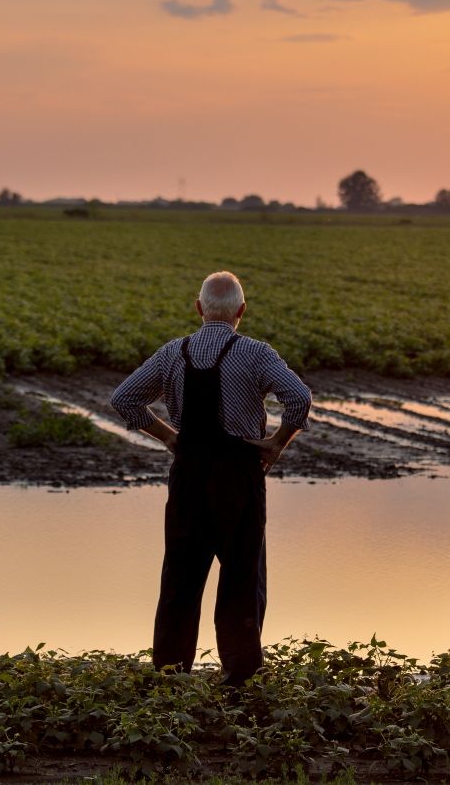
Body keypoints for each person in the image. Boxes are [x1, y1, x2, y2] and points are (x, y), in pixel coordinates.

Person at [110, 270, 311, 685]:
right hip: (240, 477)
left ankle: (170, 677)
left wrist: (169, 438)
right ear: (242, 311)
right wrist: (276, 444)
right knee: (241, 575)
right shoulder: (256, 353)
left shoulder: (173, 353)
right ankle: (240, 679)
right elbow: (299, 397)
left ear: (199, 308)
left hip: (189, 476)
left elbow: (124, 398)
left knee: (180, 578)